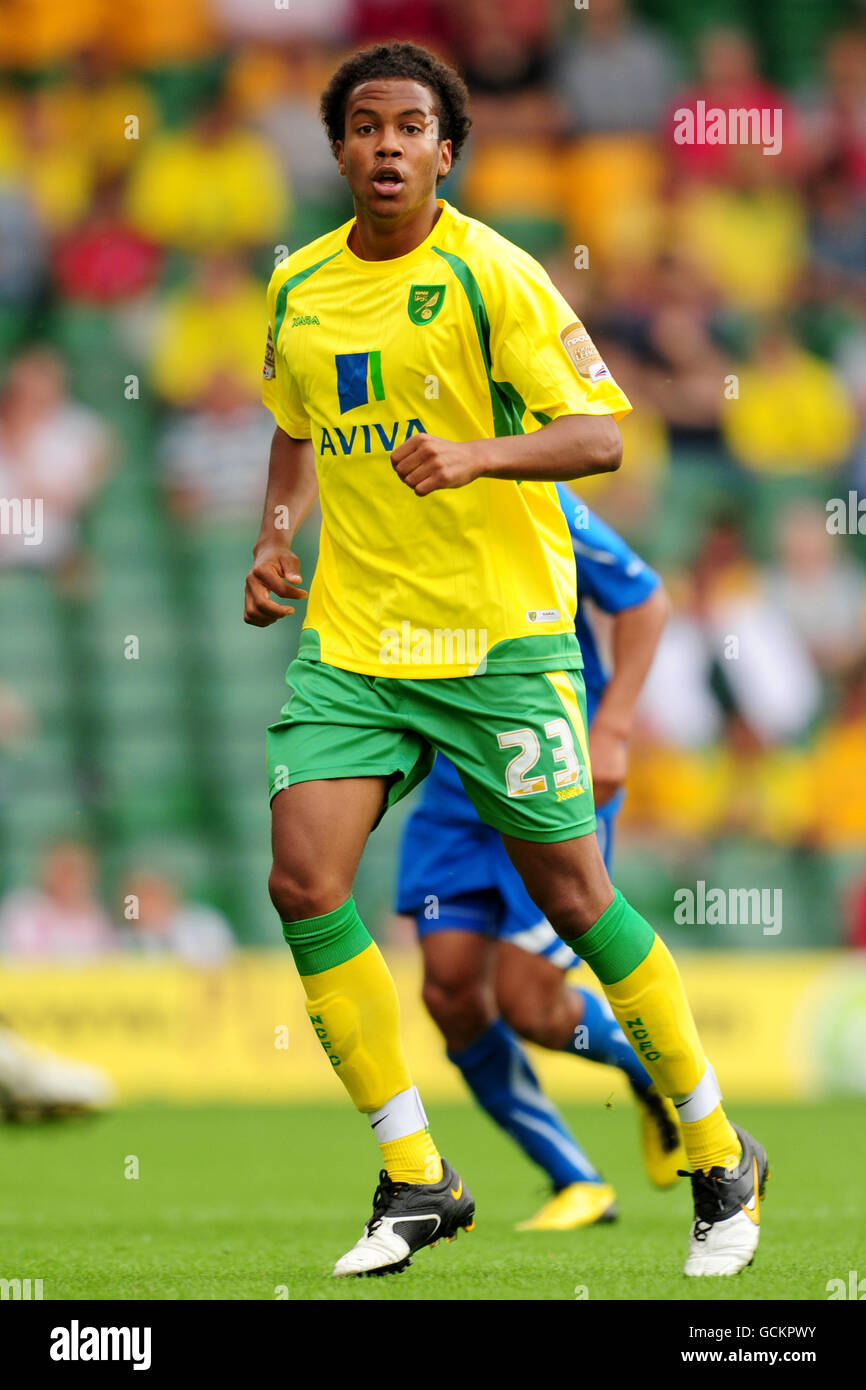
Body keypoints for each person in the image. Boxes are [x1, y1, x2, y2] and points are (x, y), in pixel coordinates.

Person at [244, 40, 768, 1280]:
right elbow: (291, 428)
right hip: (358, 647)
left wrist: (477, 454)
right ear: (337, 149)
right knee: (303, 883)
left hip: (499, 647)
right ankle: (416, 1175)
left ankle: (712, 1148)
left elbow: (599, 436)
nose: (384, 144)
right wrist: (274, 542)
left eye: (409, 125)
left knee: (579, 906)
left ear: (444, 150)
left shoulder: (496, 274)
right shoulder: (299, 289)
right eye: (363, 124)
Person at [395, 488, 682, 1230]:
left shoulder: (536, 494)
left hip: (547, 773)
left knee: (529, 1004)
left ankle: (653, 1070)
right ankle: (578, 1180)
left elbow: (645, 600)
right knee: (449, 994)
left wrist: (613, 729)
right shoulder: (390, 500)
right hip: (456, 789)